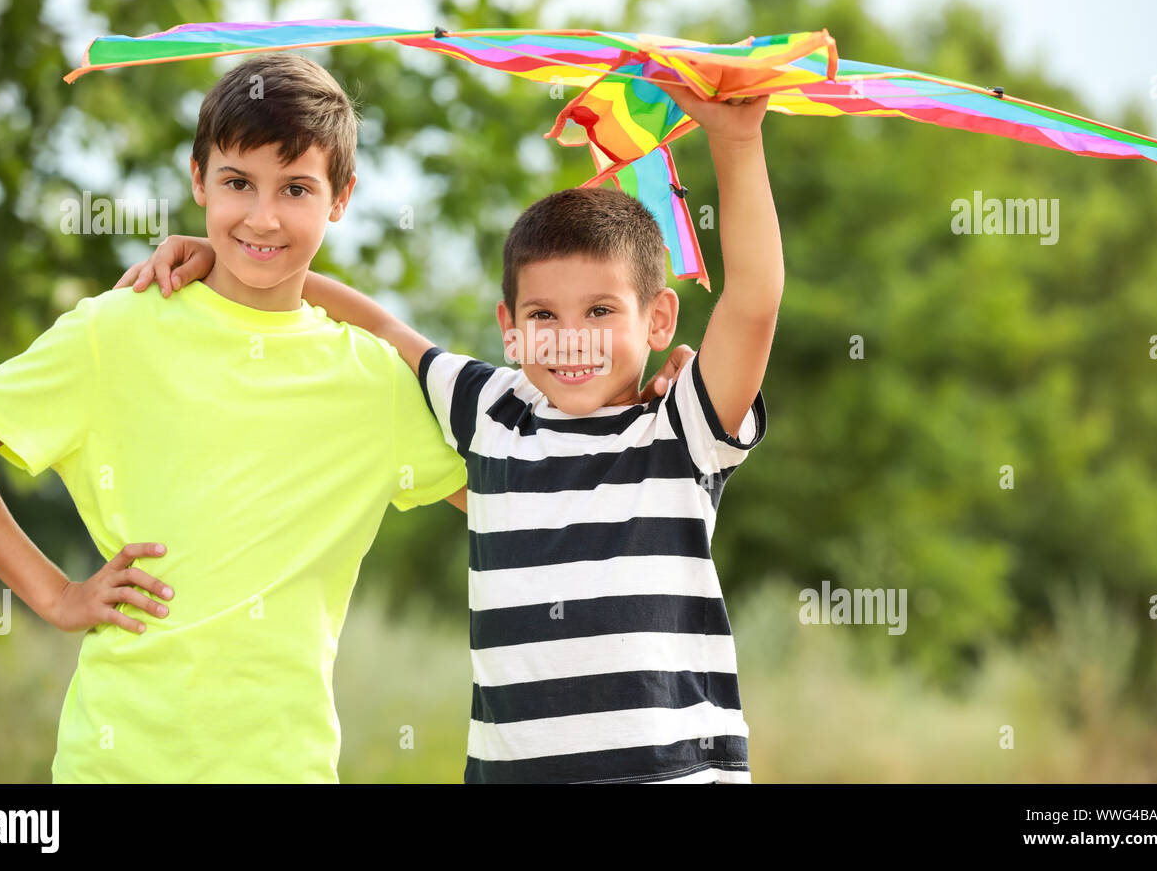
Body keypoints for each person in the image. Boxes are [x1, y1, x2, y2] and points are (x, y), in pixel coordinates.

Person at [122, 79, 782, 783]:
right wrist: (230, 257)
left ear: (657, 320)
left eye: (600, 312)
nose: (570, 339)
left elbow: (753, 299)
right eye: (543, 316)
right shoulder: (491, 411)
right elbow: (381, 325)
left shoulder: (679, 431)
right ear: (509, 329)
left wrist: (736, 143)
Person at [0, 52, 476, 782]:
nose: (263, 216)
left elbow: (506, 490)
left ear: (342, 198)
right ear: (197, 178)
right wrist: (56, 594)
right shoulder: (116, 330)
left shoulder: (373, 383)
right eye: (238, 183)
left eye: (297, 189)